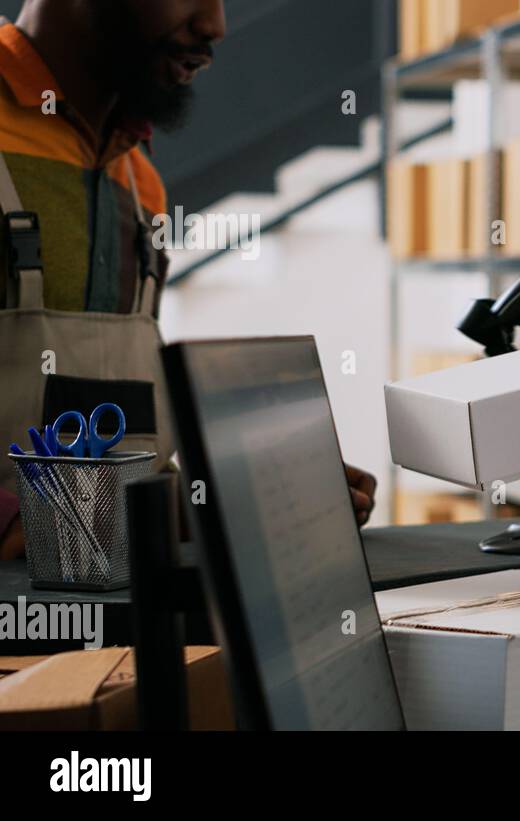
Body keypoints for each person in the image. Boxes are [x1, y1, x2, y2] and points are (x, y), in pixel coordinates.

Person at [0, 0, 375, 562]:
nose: (214, 26)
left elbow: (116, 444)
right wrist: (14, 525)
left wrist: (243, 498)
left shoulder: (139, 180)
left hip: (108, 624)